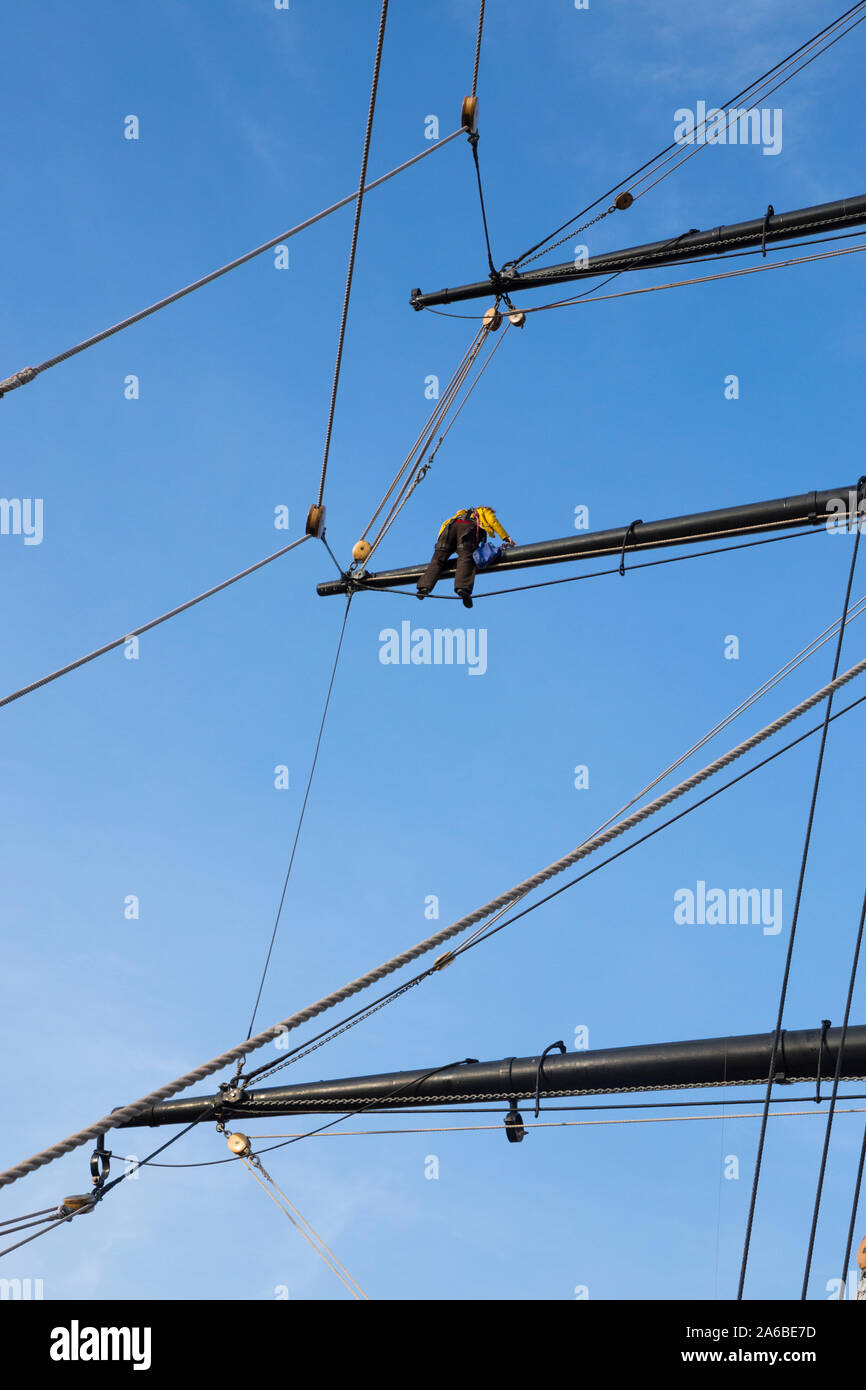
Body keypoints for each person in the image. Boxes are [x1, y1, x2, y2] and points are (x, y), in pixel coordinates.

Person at [416, 506, 514, 608]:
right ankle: (463, 588)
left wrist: (442, 545)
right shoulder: (484, 511)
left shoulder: (459, 514)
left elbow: (445, 525)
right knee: (466, 558)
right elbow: (493, 521)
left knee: (438, 559)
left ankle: (424, 587)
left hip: (449, 529)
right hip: (467, 529)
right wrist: (506, 537)